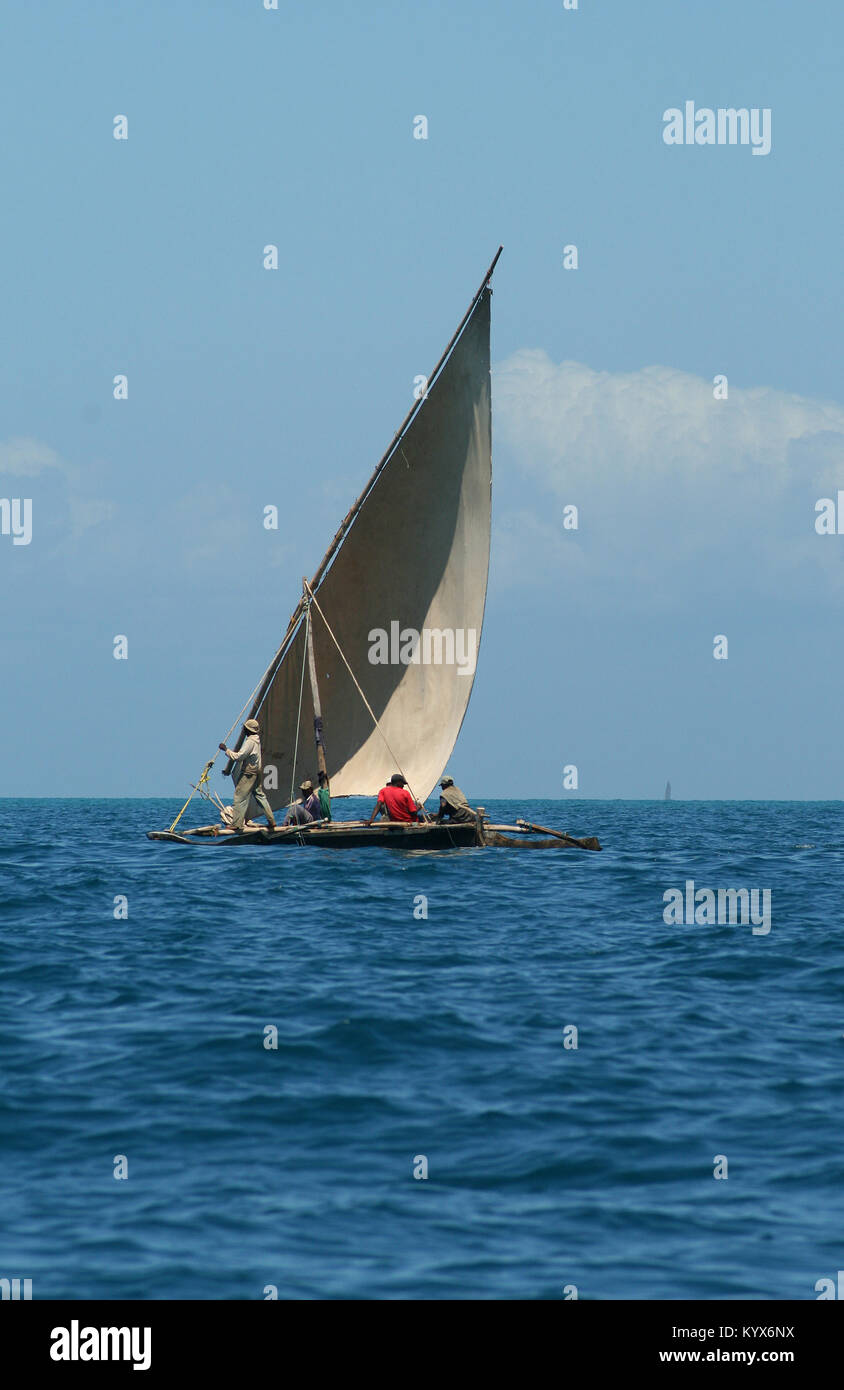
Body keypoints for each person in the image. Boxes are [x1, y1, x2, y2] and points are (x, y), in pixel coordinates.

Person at [219, 718, 276, 831]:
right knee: (260, 796)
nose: (243, 729)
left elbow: (239, 757)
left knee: (240, 797)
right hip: (257, 771)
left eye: (245, 728)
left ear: (248, 730)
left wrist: (226, 750)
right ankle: (272, 821)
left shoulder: (250, 741)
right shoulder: (257, 740)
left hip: (249, 773)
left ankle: (237, 824)